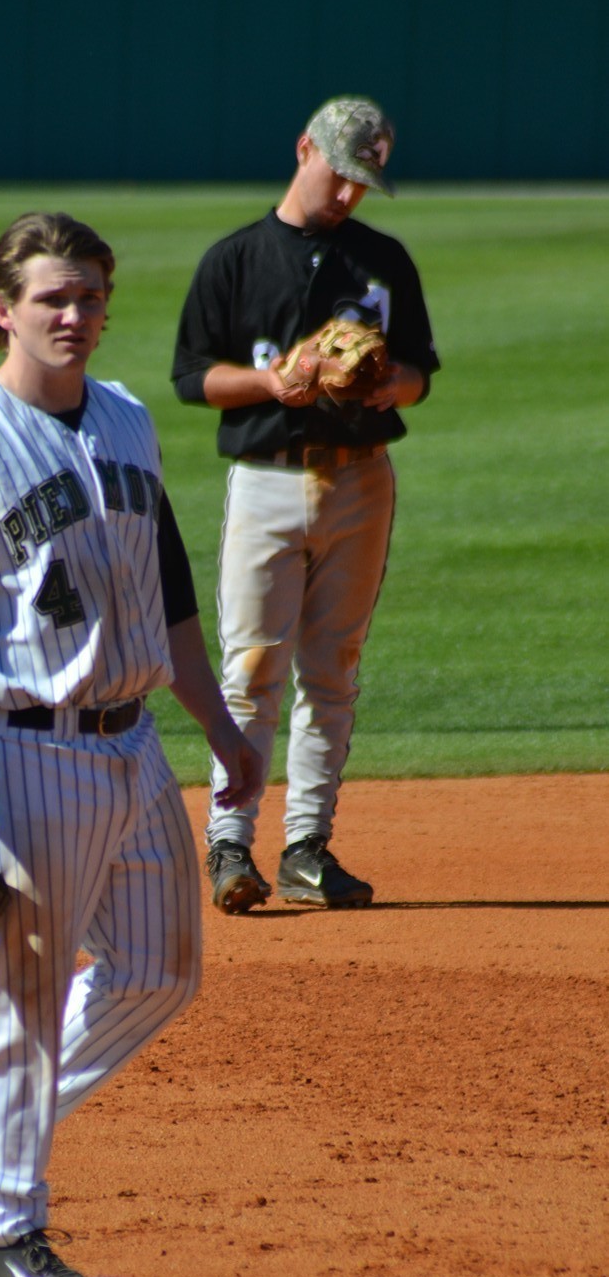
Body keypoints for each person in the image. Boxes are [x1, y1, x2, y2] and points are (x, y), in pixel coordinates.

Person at [0, 211, 260, 1277]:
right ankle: (6, 1223)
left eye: (89, 297)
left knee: (159, 971)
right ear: (1, 308)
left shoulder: (127, 419)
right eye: (52, 299)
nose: (75, 317)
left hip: (132, 745)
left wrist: (218, 730)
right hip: (18, 752)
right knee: (21, 998)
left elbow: (168, 594)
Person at [172, 96, 440, 912]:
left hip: (361, 480)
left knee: (333, 671)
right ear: (303, 150)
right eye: (342, 175)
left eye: (365, 183)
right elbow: (194, 379)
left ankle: (305, 849)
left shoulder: (383, 261)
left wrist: (381, 379)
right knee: (250, 671)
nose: (350, 195)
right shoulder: (234, 260)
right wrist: (272, 382)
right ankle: (228, 846)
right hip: (266, 480)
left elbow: (419, 375)